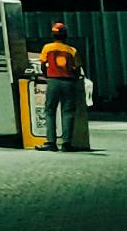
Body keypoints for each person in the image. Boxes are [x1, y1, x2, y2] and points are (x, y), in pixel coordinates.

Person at [37, 20, 91, 153]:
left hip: (53, 82)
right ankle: (66, 143)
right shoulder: (72, 50)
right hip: (68, 83)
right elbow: (78, 69)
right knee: (68, 113)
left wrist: (47, 75)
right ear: (66, 35)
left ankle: (51, 142)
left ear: (53, 35)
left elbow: (42, 65)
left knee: (50, 112)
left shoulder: (47, 48)